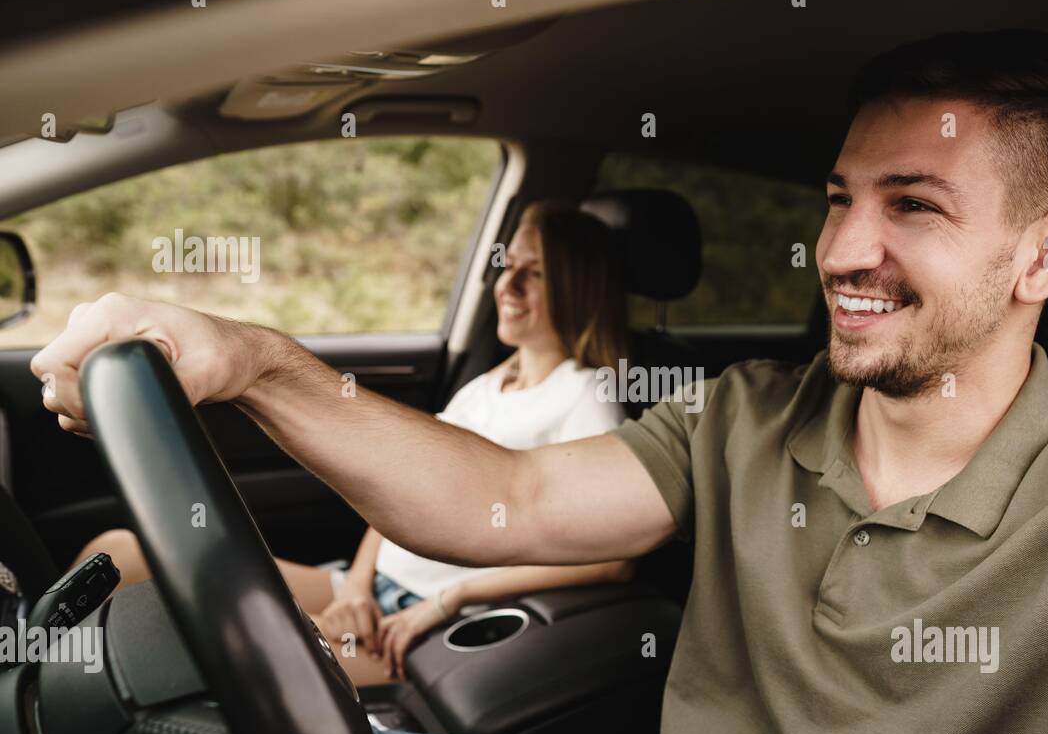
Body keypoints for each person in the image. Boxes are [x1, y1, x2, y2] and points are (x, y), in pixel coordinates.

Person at [32, 30, 1048, 734]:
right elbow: (500, 505)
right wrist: (252, 361)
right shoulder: (750, 410)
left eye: (912, 205)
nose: (843, 249)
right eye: (838, 198)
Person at [68, 201, 633, 684]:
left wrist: (449, 601)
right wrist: (356, 587)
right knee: (118, 554)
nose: (506, 285)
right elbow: (406, 488)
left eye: (532, 274)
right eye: (506, 267)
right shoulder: (488, 386)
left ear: (575, 284)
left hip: (419, 629)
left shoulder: (587, 394)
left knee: (217, 649)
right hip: (368, 587)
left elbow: (612, 559)